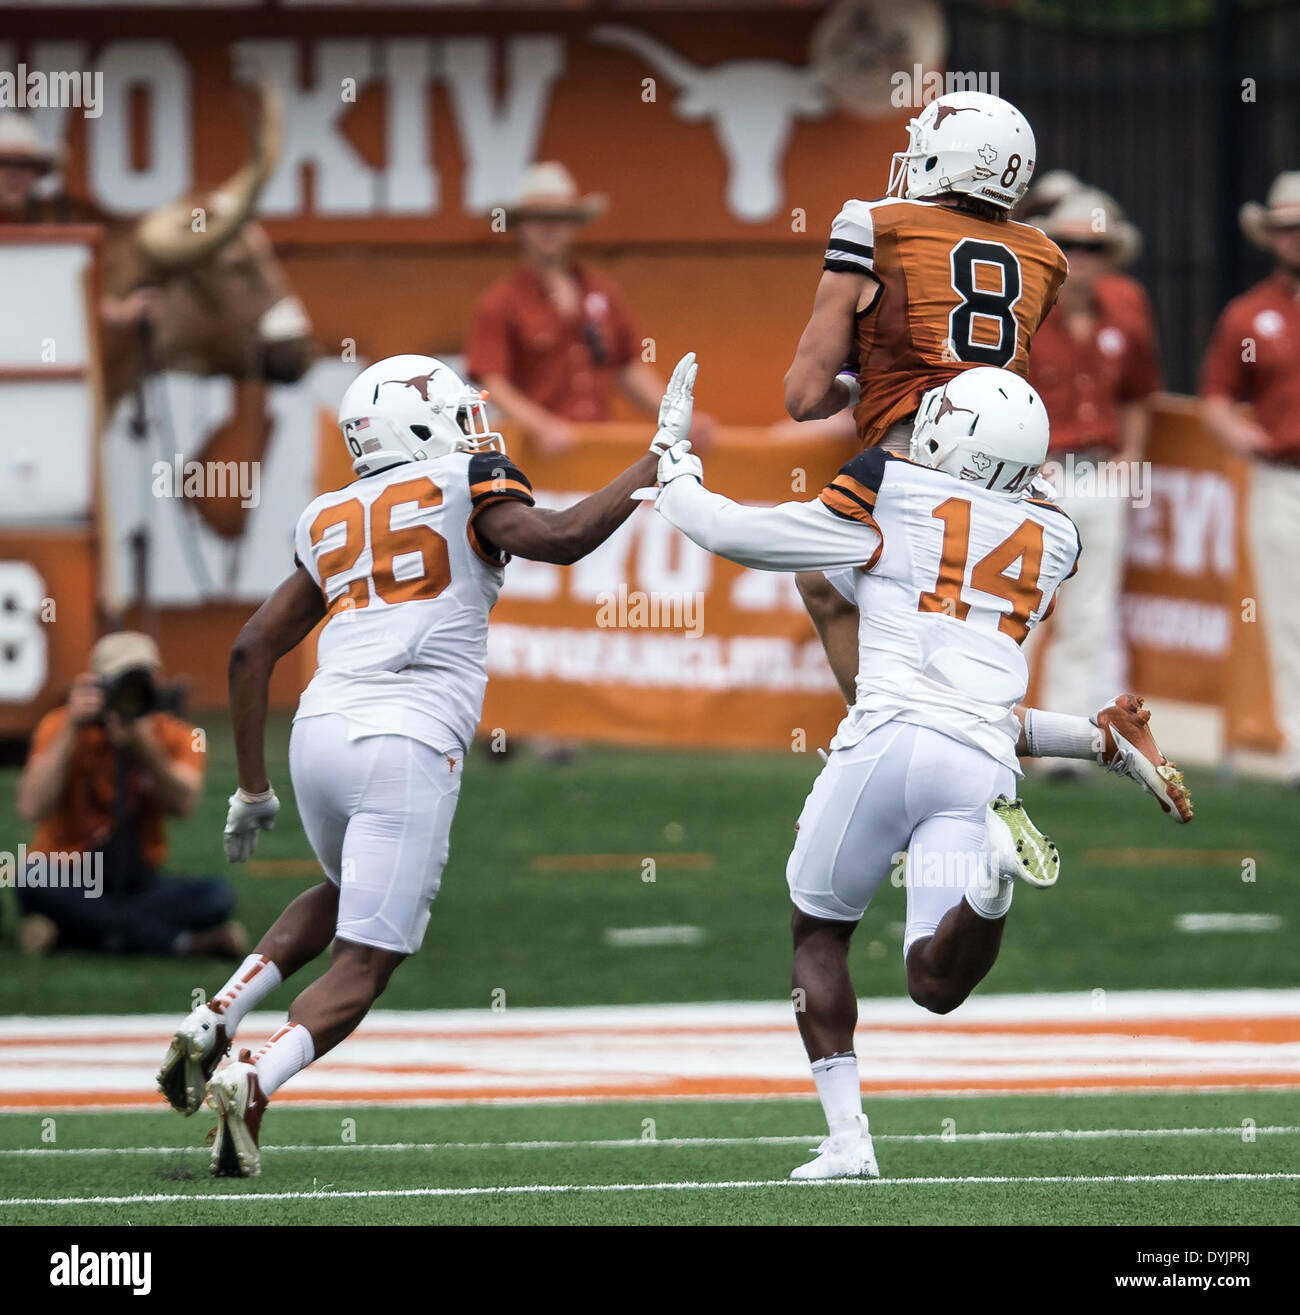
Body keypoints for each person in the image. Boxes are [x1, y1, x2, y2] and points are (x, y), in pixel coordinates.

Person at [650, 361, 1191, 1180]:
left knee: (819, 931)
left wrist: (672, 462)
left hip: (888, 739)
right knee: (934, 983)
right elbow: (976, 703)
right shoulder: (1057, 537)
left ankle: (848, 1140)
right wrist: (1095, 742)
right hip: (981, 765)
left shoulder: (891, 485)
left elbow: (734, 533)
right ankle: (994, 883)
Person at [155, 353, 692, 1176]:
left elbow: (251, 648)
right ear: (418, 424)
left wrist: (252, 786)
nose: (476, 423)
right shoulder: (468, 476)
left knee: (344, 894)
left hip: (319, 731)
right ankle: (254, 1079)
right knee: (366, 963)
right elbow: (562, 537)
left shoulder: (329, 510)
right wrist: (657, 463)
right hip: (405, 738)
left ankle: (218, 1015)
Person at [783, 91, 1068, 698]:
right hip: (1009, 468)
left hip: (918, 449)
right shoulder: (1045, 256)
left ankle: (880, 731)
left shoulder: (876, 226)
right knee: (955, 636)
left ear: (951, 159)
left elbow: (804, 397)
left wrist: (857, 383)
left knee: (831, 585)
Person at [1027, 187, 1162, 745]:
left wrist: (1131, 457)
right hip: (1035, 475)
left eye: (1091, 246)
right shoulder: (1023, 307)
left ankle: (1068, 743)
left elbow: (1138, 392)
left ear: (1109, 254)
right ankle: (983, 733)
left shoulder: (1127, 308)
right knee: (1016, 608)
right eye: (1068, 244)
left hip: (1100, 470)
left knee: (1090, 612)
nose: (1079, 256)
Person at [15, 632, 243, 957]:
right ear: (96, 686)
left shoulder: (177, 735)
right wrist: (71, 728)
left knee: (218, 896)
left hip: (138, 877)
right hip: (69, 869)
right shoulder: (61, 725)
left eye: (141, 679)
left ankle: (70, 931)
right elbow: (31, 806)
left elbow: (183, 803)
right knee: (33, 879)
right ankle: (182, 943)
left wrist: (143, 744)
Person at [466, 161, 712, 454]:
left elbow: (628, 366)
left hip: (597, 452)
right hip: (534, 461)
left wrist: (677, 420)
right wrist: (539, 425)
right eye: (539, 218)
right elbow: (491, 380)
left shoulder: (601, 291)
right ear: (520, 225)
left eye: (560, 218)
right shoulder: (501, 301)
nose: (549, 228)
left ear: (574, 224)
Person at [1201, 171, 1300, 784]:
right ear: (1271, 237)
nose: (1295, 239)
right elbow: (1217, 396)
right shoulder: (1249, 314)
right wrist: (1241, 437)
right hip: (1282, 478)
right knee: (1290, 616)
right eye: (1286, 229)